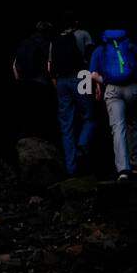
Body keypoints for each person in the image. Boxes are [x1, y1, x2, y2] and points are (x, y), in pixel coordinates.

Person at [90, 27, 137, 182]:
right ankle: (136, 165)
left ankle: (123, 170)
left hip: (112, 90)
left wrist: (105, 82)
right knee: (135, 124)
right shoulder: (131, 47)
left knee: (118, 128)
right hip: (132, 88)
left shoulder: (100, 50)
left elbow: (93, 74)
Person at [48, 22, 96, 176]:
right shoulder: (83, 34)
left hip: (61, 80)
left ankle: (71, 168)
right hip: (82, 76)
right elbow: (91, 57)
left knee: (66, 125)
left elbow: (50, 66)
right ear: (76, 22)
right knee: (89, 115)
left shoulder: (55, 40)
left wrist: (56, 83)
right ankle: (83, 145)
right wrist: (94, 82)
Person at [12, 21, 53, 140]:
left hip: (23, 81)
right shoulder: (47, 44)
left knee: (25, 110)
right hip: (39, 82)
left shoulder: (24, 42)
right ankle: (39, 138)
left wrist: (18, 79)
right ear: (46, 32)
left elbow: (14, 65)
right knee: (39, 112)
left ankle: (24, 136)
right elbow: (49, 66)